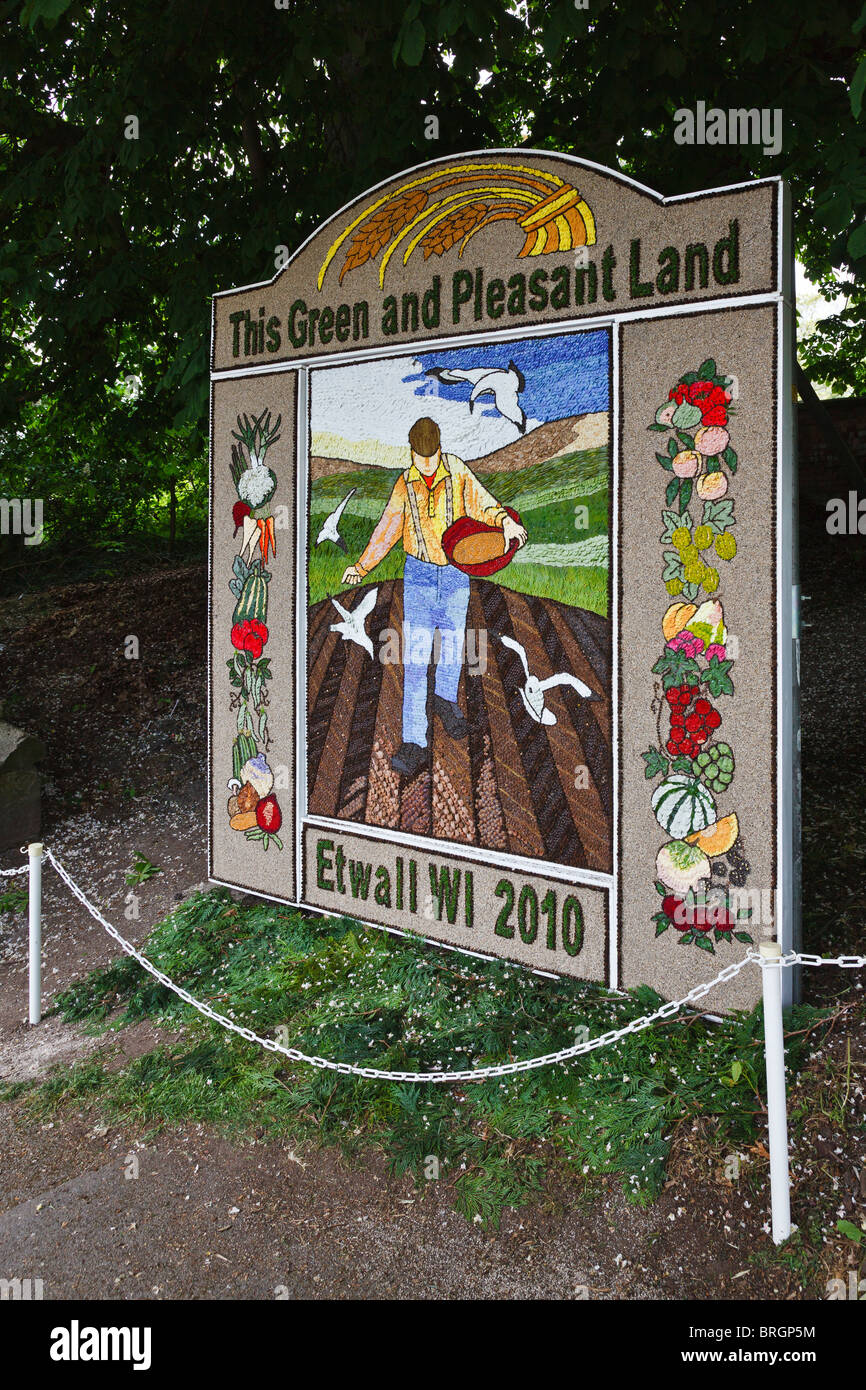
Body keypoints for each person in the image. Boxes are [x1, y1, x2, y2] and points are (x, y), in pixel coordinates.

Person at [342, 416, 527, 777]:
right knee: (415, 656)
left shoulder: (456, 471)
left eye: (431, 458)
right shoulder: (405, 483)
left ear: (439, 449)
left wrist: (505, 521)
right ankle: (415, 741)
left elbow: (483, 503)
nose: (426, 466)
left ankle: (445, 700)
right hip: (420, 575)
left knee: (454, 644)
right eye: (419, 459)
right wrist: (362, 567)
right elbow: (387, 529)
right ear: (412, 453)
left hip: (456, 575)